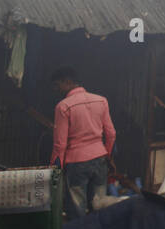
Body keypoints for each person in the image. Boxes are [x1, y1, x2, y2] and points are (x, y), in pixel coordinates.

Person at [50, 66, 116, 218]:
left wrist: (55, 169)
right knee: (99, 206)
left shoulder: (63, 106)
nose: (56, 90)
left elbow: (60, 144)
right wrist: (108, 155)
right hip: (100, 159)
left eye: (57, 85)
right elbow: (111, 134)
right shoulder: (101, 101)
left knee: (77, 208)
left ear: (67, 82)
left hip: (76, 163)